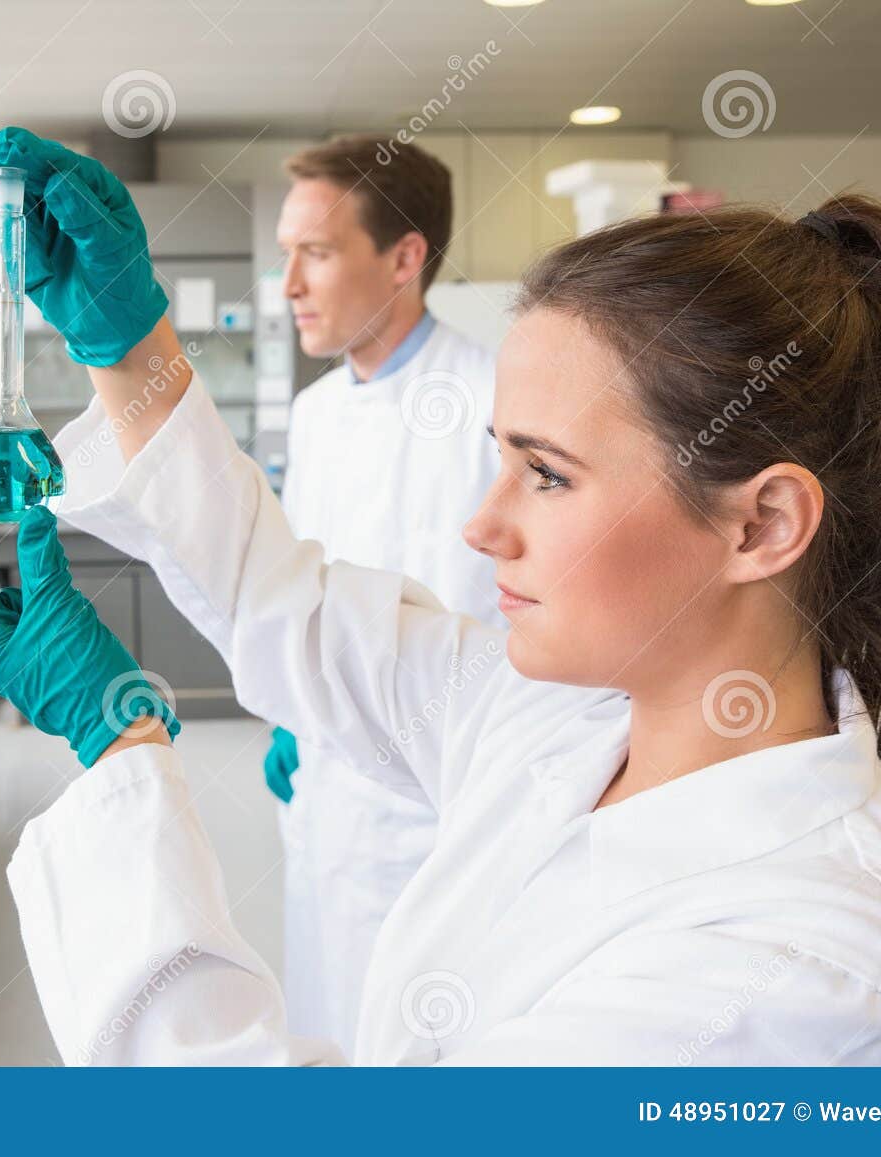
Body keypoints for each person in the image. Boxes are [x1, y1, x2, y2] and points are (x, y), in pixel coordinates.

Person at [0, 128, 881, 1064]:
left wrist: (122, 755)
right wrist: (130, 350)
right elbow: (286, 600)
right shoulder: (561, 725)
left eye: (548, 472)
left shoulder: (805, 976)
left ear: (760, 524)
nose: (481, 527)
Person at [267, 135, 501, 1052]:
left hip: (449, 807)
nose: (287, 283)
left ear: (405, 258)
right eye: (285, 254)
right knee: (333, 1029)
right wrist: (289, 711)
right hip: (328, 798)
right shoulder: (316, 413)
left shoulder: (497, 401)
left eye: (316, 253)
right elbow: (297, 589)